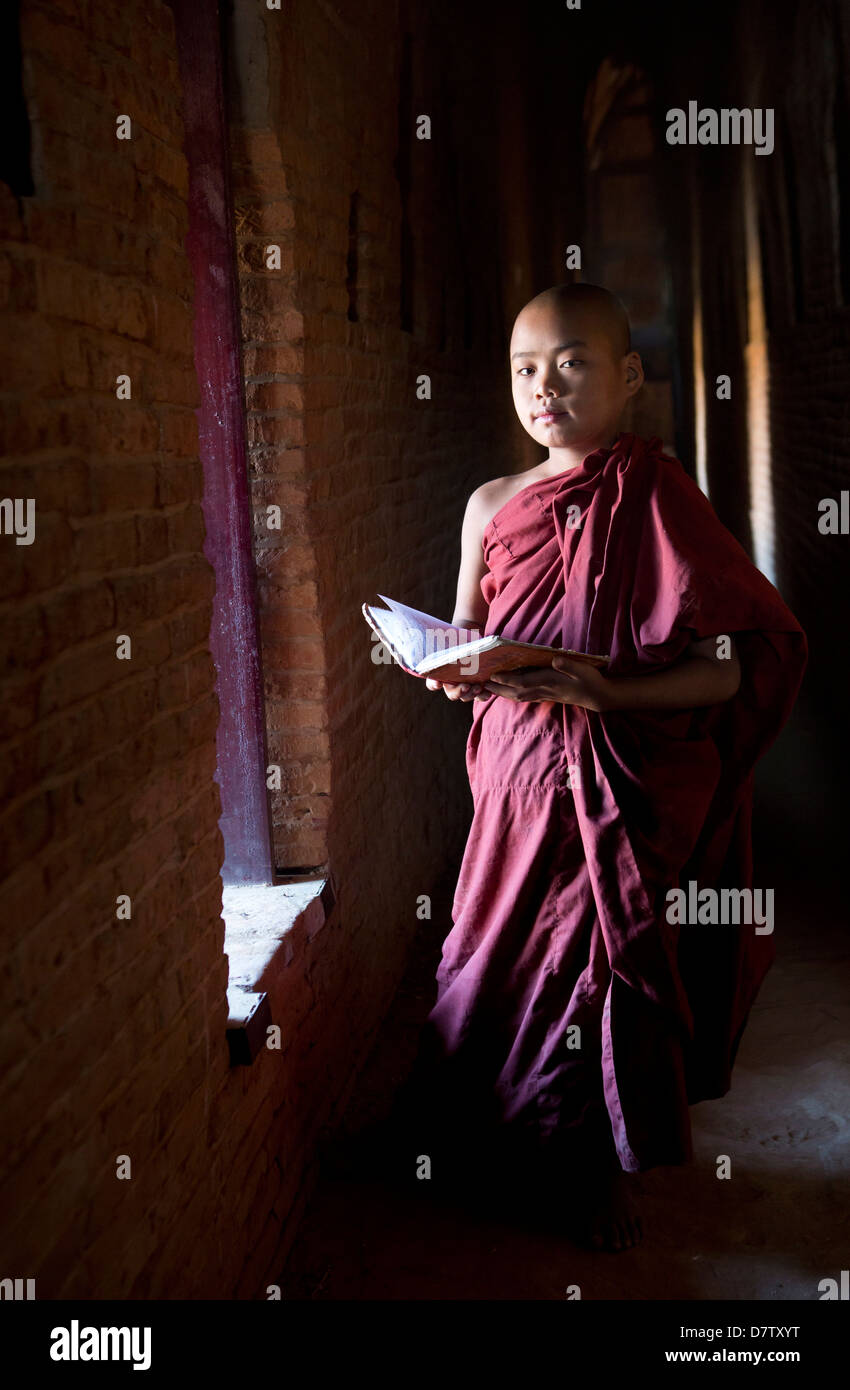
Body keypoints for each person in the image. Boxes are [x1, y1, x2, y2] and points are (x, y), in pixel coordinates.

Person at [403, 281, 807, 1252]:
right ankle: (484, 1140)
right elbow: (467, 632)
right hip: (510, 772)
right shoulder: (491, 503)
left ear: (628, 376)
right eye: (524, 369)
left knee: (595, 964)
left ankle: (590, 1162)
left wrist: (612, 695)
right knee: (487, 951)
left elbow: (720, 670)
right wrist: (447, 668)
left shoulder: (657, 497)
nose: (545, 387)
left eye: (572, 362)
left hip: (617, 775)